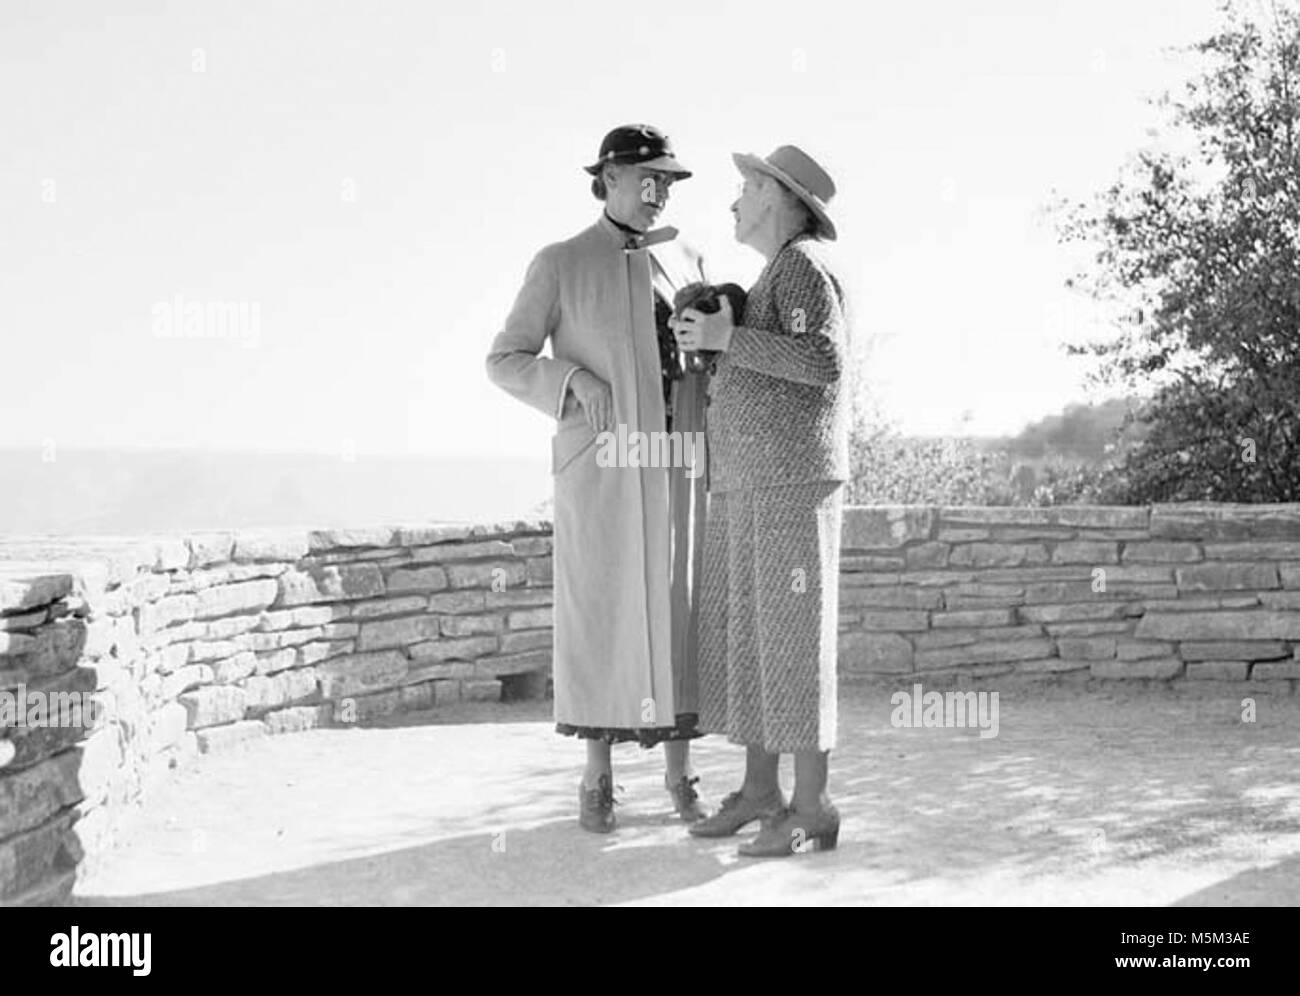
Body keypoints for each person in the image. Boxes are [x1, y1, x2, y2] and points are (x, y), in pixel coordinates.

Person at [485, 125, 712, 833]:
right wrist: (572, 378)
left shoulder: (685, 258)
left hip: (677, 463)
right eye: (649, 179)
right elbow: (504, 358)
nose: (660, 193)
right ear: (609, 177)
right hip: (601, 469)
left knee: (675, 613)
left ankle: (682, 779)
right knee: (601, 611)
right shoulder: (559, 263)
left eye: (668, 182)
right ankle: (597, 780)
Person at [671, 145, 849, 857]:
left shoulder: (805, 265)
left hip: (788, 485)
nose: (734, 201)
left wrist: (728, 338)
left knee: (792, 646)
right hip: (752, 484)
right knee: (753, 644)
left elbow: (823, 363)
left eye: (745, 188)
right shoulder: (779, 270)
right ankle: (759, 791)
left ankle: (811, 807)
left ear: (780, 196)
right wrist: (722, 344)